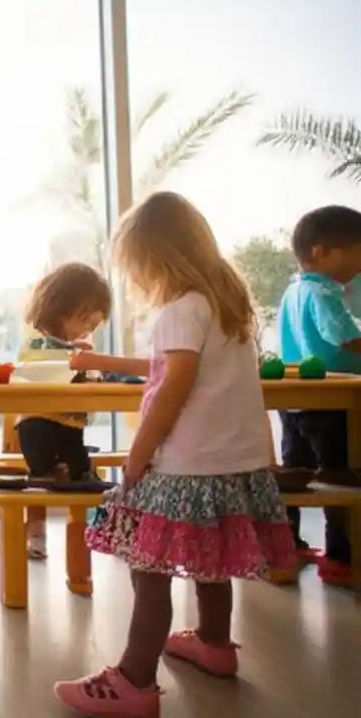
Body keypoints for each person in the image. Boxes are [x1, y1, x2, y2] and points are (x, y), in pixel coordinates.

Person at [54, 193, 296, 716]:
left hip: (184, 461)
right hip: (233, 460)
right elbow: (169, 367)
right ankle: (213, 644)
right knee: (214, 557)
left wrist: (138, 453)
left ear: (155, 258)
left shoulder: (178, 309)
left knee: (150, 570)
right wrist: (104, 359)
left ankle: (134, 681)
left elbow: (172, 387)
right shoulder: (224, 306)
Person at [276, 205, 361, 588]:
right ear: (323, 252)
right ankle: (342, 557)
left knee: (295, 475)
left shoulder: (293, 291)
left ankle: (287, 546)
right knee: (340, 478)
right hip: (333, 401)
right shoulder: (324, 291)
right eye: (357, 252)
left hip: (295, 397)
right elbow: (344, 337)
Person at [16, 262, 112, 559]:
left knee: (79, 463)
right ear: (61, 311)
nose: (87, 331)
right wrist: (79, 362)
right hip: (38, 422)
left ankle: (98, 520)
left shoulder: (73, 347)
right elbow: (41, 366)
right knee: (39, 451)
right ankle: (37, 525)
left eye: (93, 327)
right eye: (85, 322)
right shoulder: (37, 341)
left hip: (69, 426)